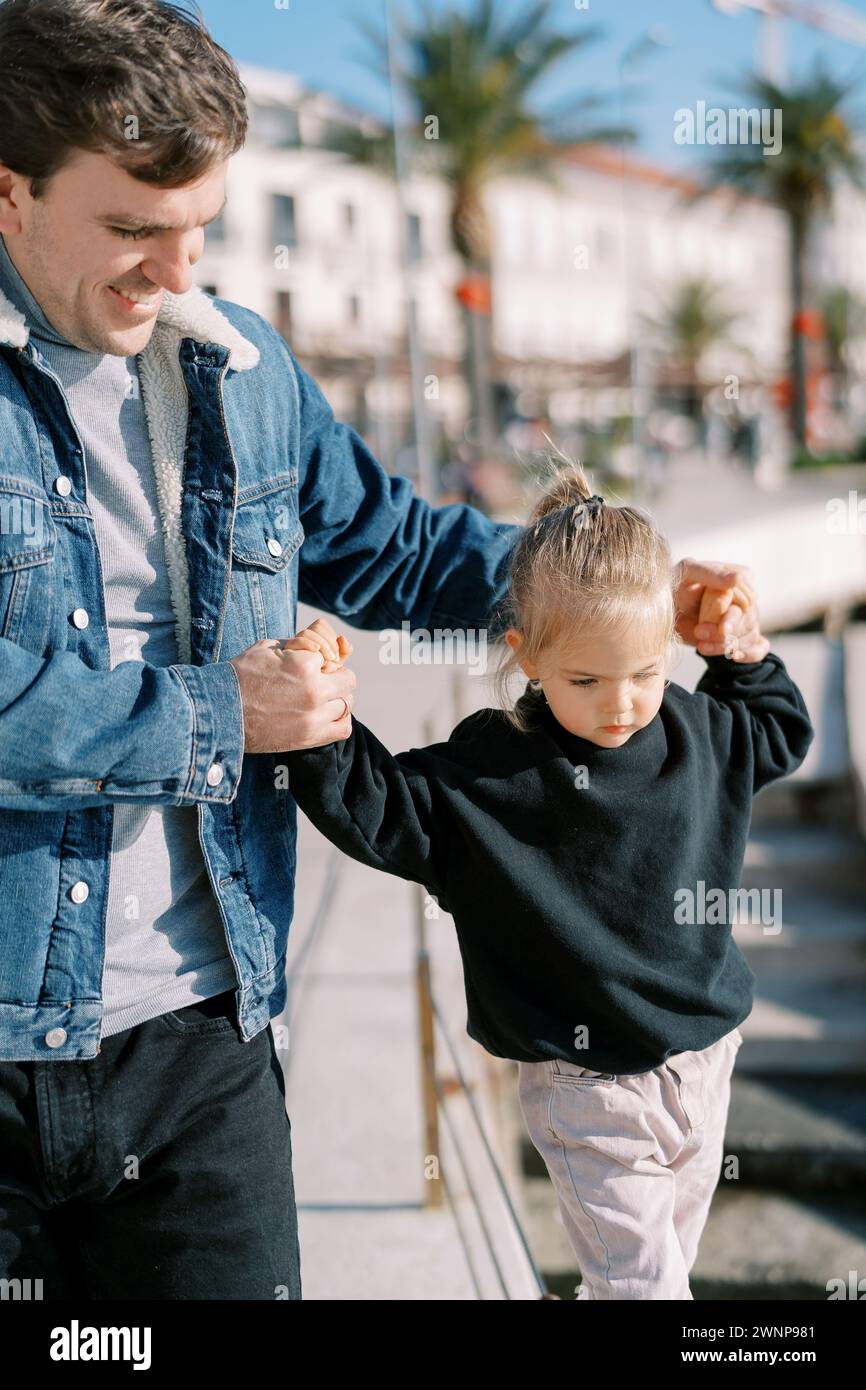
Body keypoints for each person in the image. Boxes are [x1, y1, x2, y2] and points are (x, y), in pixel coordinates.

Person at [0, 0, 768, 1301]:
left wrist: (612, 589)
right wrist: (216, 715)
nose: (178, 273)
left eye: (200, 231)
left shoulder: (243, 370)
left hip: (207, 1045)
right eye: (134, 230)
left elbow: (398, 549)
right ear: (8, 191)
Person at [283, 467, 815, 1301]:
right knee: (643, 1290)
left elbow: (779, 731)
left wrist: (740, 650)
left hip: (705, 1062)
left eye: (644, 672)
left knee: (656, 1275)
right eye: (586, 681)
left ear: (666, 647)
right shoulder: (491, 774)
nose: (621, 703)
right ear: (525, 654)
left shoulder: (698, 727)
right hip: (586, 1090)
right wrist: (316, 721)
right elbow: (380, 808)